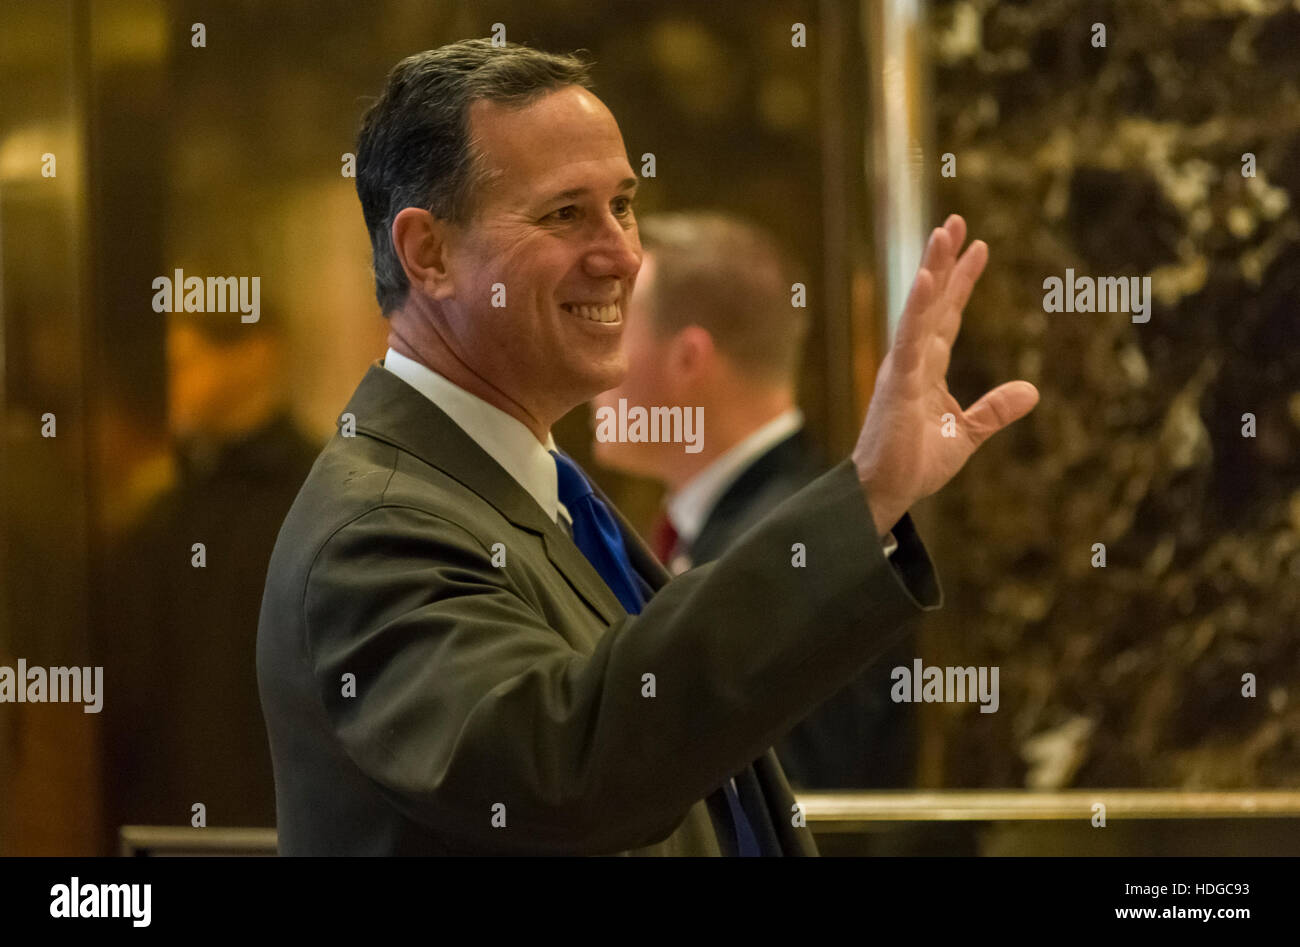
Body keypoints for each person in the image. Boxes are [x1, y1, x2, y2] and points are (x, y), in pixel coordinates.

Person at [256, 39, 1039, 856]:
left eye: (622, 204)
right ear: (429, 252)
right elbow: (567, 766)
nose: (623, 253)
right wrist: (866, 493)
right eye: (565, 213)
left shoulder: (539, 490)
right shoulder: (374, 528)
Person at [592, 211, 915, 789]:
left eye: (614, 331)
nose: (596, 368)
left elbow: (780, 803)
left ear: (689, 358)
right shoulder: (751, 523)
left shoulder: (796, 546)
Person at [100, 308, 319, 846]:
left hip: (278, 816)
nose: (173, 379)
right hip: (164, 817)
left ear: (254, 356)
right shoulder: (163, 506)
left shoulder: (322, 494)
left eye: (188, 360)